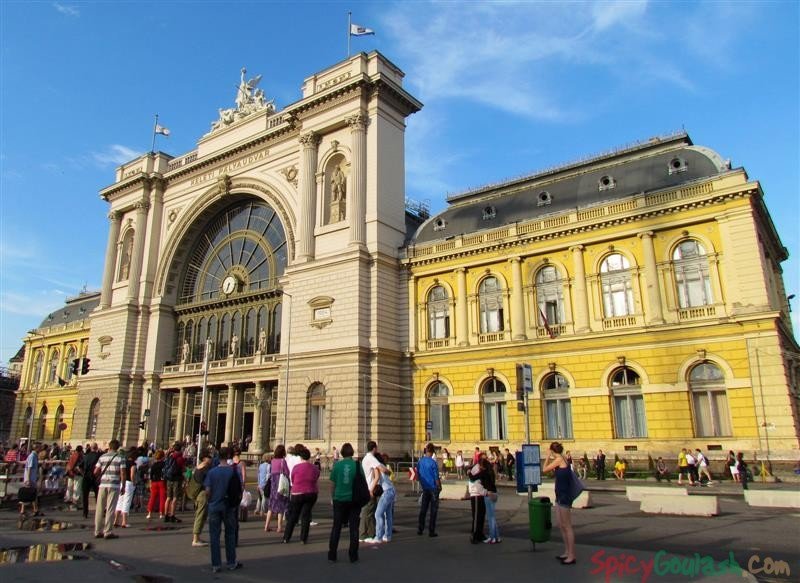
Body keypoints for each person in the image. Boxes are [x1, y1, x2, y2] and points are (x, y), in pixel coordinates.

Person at [204, 446, 242, 573]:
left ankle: (216, 565)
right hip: (229, 506)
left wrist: (209, 500)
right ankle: (231, 562)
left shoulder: (212, 472)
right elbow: (239, 489)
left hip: (214, 505)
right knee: (230, 534)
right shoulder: (233, 471)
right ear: (229, 457)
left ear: (218, 457)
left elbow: (207, 491)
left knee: (214, 536)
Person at [328, 442, 364, 563]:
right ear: (352, 453)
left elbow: (332, 484)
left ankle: (332, 554)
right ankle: (353, 555)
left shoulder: (337, 465)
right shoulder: (357, 465)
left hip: (339, 499)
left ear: (342, 453)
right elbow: (362, 482)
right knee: (354, 528)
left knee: (336, 527)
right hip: (354, 500)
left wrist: (332, 497)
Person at [544, 442, 577, 565]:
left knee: (567, 526)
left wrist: (547, 457)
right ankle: (567, 551)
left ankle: (572, 555)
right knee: (561, 525)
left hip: (564, 496)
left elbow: (544, 469)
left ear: (552, 451)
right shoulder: (562, 459)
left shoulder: (559, 459)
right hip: (559, 496)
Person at [283, 445, 320, 544]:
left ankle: (286, 537)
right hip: (311, 493)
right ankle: (303, 538)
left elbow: (293, 479)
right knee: (306, 516)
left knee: (293, 515)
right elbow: (316, 478)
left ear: (301, 457)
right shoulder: (314, 468)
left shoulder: (296, 467)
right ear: (309, 457)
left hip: (297, 493)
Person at [94, 439, 126, 539]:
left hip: (102, 485)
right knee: (110, 508)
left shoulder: (102, 457)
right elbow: (123, 473)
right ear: (118, 447)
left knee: (99, 508)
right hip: (114, 485)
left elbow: (95, 471)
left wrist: (102, 475)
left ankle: (97, 531)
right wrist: (123, 486)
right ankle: (108, 531)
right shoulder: (120, 458)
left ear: (109, 446)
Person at [359, 440, 383, 542]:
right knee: (368, 512)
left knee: (369, 511)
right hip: (370, 488)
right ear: (374, 448)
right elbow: (380, 468)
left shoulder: (365, 458)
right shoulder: (371, 458)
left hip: (366, 487)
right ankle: (364, 534)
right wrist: (387, 470)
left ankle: (371, 533)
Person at [416, 442, 441, 537]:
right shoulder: (433, 462)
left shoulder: (420, 461)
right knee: (433, 510)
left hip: (425, 488)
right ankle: (431, 531)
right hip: (433, 488)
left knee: (423, 509)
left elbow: (418, 476)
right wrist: (439, 486)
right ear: (432, 452)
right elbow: (436, 477)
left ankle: (420, 528)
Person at [264, 444, 290, 533]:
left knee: (271, 507)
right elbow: (287, 472)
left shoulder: (273, 461)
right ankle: (279, 527)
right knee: (281, 506)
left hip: (273, 485)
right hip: (280, 484)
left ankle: (266, 525)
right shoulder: (283, 461)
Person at [189, 451, 212, 547]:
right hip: (202, 495)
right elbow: (206, 484)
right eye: (209, 457)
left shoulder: (198, 467)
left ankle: (197, 537)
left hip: (198, 494)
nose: (211, 459)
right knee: (200, 515)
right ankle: (195, 538)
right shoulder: (205, 469)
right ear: (205, 458)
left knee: (201, 514)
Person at [374, 454, 396, 543]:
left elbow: (377, 478)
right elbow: (389, 473)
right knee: (388, 514)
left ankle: (378, 536)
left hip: (387, 492)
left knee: (378, 514)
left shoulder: (378, 466)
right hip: (391, 490)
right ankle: (387, 536)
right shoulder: (382, 466)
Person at [113, 450, 137, 528]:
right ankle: (124, 522)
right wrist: (134, 483)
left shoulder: (124, 462)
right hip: (129, 483)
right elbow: (132, 474)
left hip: (122, 482)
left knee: (119, 501)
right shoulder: (133, 464)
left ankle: (116, 520)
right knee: (127, 502)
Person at [164, 442, 186, 522]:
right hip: (177, 479)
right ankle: (172, 515)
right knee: (175, 497)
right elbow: (183, 469)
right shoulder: (180, 458)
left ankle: (166, 515)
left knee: (168, 497)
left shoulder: (170, 456)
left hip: (169, 478)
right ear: (180, 449)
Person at [468, 456, 487, 544]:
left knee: (482, 514)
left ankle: (480, 534)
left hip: (480, 494)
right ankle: (474, 535)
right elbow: (476, 482)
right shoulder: (477, 469)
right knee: (476, 516)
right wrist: (484, 492)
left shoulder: (480, 468)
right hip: (476, 494)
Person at [481, 457, 500, 544]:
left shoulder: (484, 473)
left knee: (490, 517)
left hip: (488, 494)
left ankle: (492, 537)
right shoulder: (491, 471)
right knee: (493, 517)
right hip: (495, 493)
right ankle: (497, 537)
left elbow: (481, 483)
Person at [81, 443, 101, 519]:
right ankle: (99, 512)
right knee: (97, 496)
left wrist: (83, 473)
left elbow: (79, 466)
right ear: (96, 448)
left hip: (86, 477)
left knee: (85, 496)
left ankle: (85, 513)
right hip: (95, 477)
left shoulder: (85, 456)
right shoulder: (98, 456)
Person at [21, 443, 42, 516]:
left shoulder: (35, 456)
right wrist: (28, 479)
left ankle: (34, 510)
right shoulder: (32, 456)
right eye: (39, 447)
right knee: (30, 494)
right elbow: (29, 468)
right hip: (30, 478)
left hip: (32, 478)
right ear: (36, 448)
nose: (41, 449)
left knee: (31, 494)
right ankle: (32, 510)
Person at [146, 449, 167, 520]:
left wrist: (150, 482)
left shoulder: (153, 465)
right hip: (161, 482)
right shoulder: (164, 464)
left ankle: (149, 513)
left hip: (154, 482)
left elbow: (151, 475)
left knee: (152, 497)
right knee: (162, 498)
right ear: (162, 457)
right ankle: (161, 513)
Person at [64, 445, 84, 510]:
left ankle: (68, 498)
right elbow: (75, 465)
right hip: (76, 473)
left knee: (69, 487)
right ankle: (75, 501)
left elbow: (70, 464)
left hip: (70, 473)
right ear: (81, 450)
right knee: (77, 487)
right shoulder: (79, 456)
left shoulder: (73, 454)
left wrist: (68, 471)